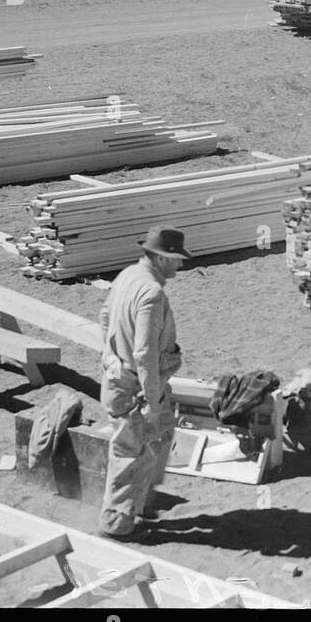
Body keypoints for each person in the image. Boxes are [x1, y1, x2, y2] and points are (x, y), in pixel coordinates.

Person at [98, 225, 191, 540]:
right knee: (129, 451)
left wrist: (110, 356)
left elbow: (103, 317)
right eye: (176, 259)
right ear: (163, 258)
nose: (180, 265)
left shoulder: (126, 276)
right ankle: (116, 525)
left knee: (161, 435)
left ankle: (141, 501)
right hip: (135, 387)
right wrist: (152, 400)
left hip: (122, 378)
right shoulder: (151, 292)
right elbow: (144, 353)